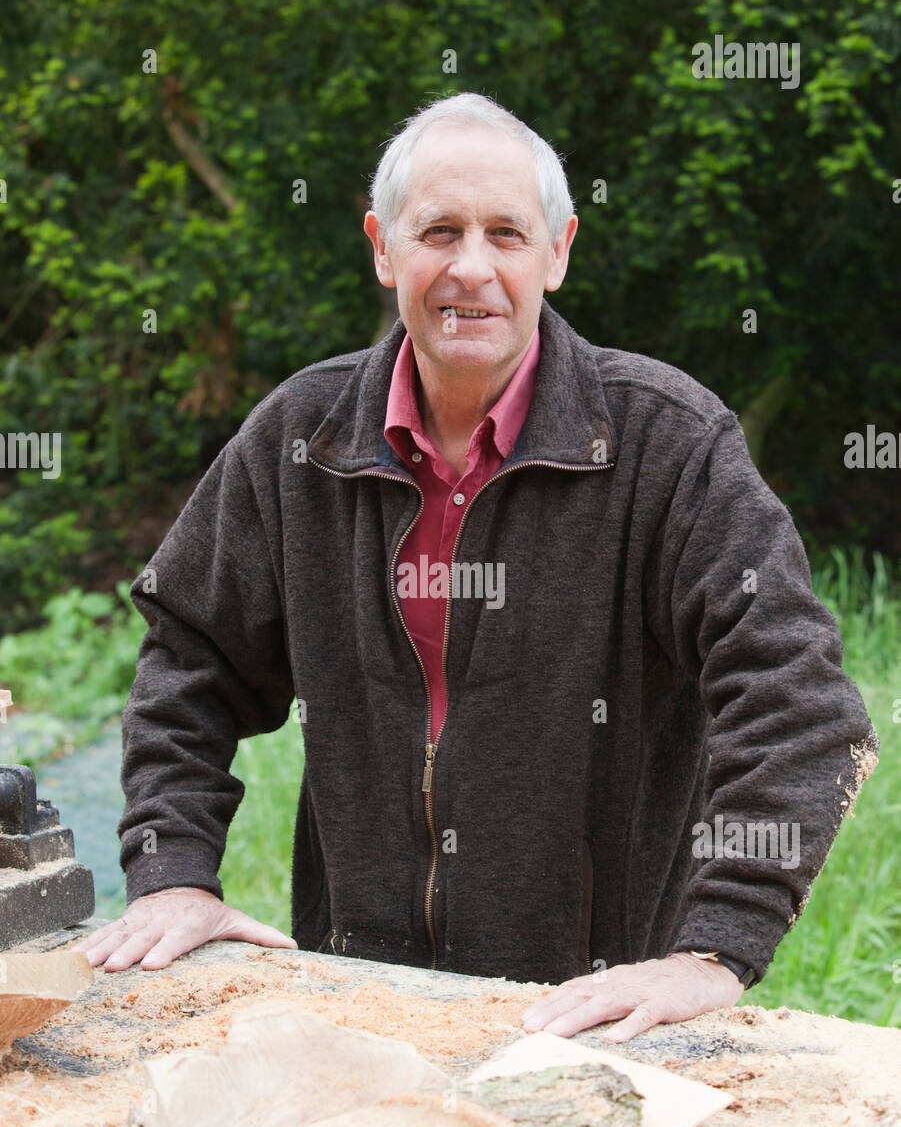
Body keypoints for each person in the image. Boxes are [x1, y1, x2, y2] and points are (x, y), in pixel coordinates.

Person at [74, 93, 878, 1042]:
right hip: (363, 1006)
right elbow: (190, 663)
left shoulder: (668, 444)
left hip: (604, 1018)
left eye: (506, 233)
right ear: (383, 248)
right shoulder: (300, 437)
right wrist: (173, 875)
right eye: (438, 231)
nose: (471, 268)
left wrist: (712, 951)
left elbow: (802, 709)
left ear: (558, 251)